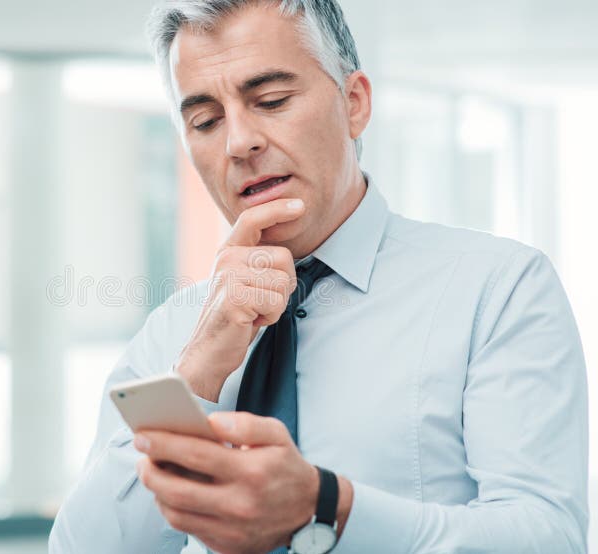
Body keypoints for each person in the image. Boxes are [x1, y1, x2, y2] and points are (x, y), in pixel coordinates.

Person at [49, 0, 588, 552]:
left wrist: (327, 506)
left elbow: (549, 538)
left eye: (271, 100)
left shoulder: (497, 289)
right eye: (205, 121)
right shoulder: (176, 331)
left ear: (354, 104)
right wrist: (197, 373)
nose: (238, 143)